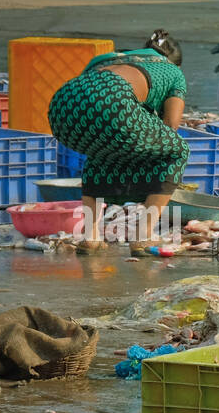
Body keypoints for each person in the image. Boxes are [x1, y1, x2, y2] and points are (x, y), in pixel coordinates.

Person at [48, 30, 188, 252]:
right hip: (113, 100)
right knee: (177, 149)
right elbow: (171, 125)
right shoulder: (172, 72)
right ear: (175, 63)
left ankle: (91, 237)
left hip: (61, 108)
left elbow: (90, 98)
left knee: (101, 148)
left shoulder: (110, 59)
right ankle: (143, 236)